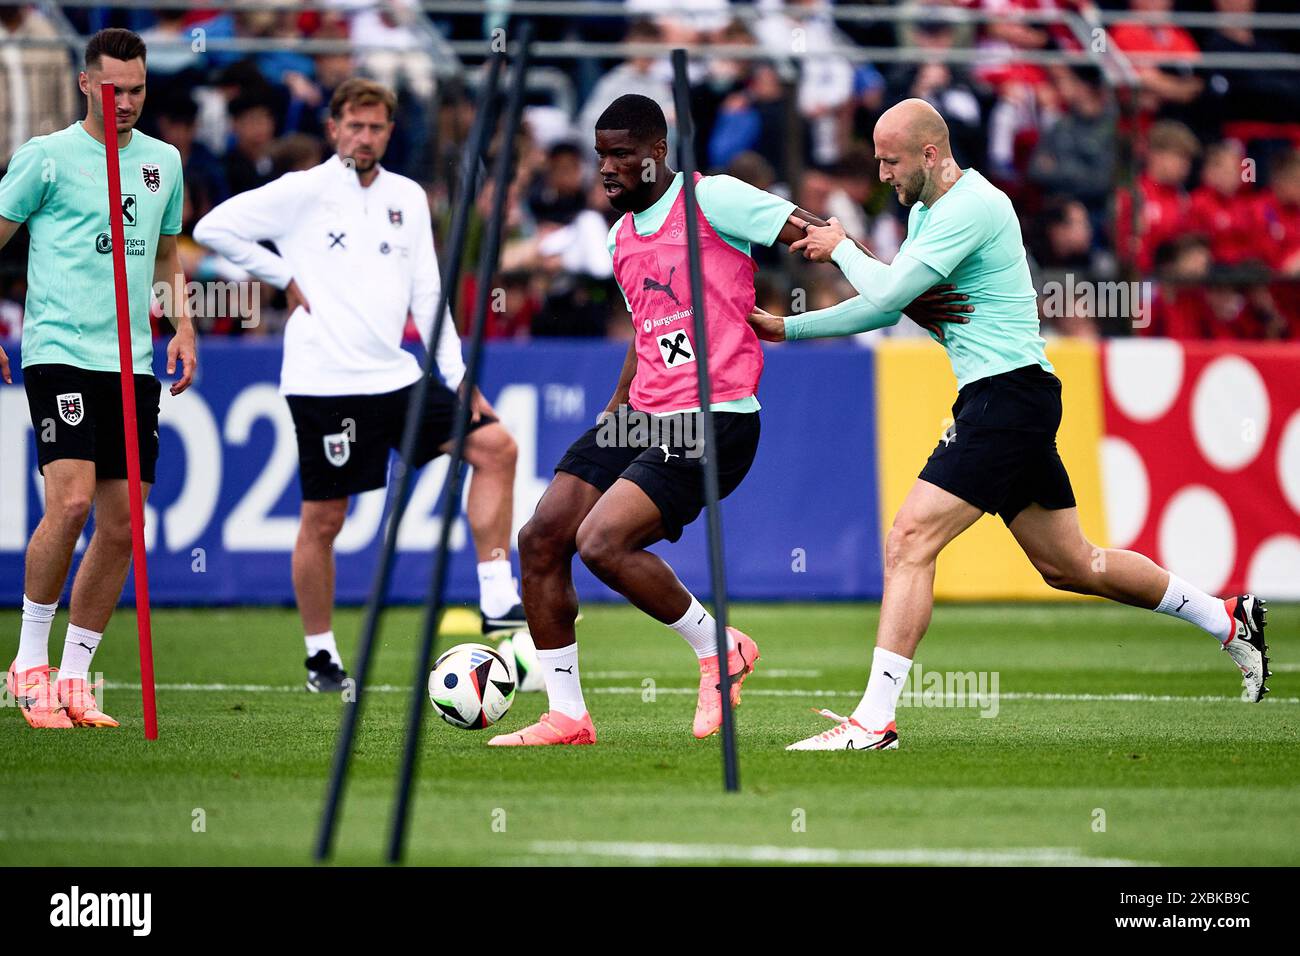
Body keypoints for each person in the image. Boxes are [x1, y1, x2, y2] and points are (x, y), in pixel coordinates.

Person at [748, 99, 1271, 751]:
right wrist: (788, 328)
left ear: (931, 154)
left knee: (909, 539)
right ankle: (1226, 619)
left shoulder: (973, 206)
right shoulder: (927, 213)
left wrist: (841, 248)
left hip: (1007, 397)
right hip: (1011, 397)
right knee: (1074, 565)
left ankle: (873, 722)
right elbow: (888, 309)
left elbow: (882, 296)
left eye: (890, 160)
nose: (882, 174)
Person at [489, 94, 967, 747]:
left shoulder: (714, 199)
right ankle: (568, 715)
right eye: (601, 156)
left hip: (716, 417)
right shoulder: (619, 236)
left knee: (601, 542)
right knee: (541, 537)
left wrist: (902, 287)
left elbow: (811, 232)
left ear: (658, 153)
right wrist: (615, 409)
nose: (607, 169)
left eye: (621, 155)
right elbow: (649, 328)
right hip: (644, 412)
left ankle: (721, 650)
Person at [193, 78, 525, 693]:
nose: (365, 136)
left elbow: (430, 296)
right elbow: (215, 227)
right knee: (325, 518)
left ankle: (496, 593)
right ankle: (321, 655)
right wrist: (281, 274)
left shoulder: (408, 197)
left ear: (389, 132)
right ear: (333, 127)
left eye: (376, 127)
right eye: (355, 124)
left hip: (397, 374)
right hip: (326, 382)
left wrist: (458, 377)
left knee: (497, 447)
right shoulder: (303, 191)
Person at [0, 28, 196, 729]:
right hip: (58, 351)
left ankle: (77, 676)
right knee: (74, 502)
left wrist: (185, 324)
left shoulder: (163, 161)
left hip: (131, 362)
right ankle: (28, 662)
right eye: (113, 90)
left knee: (122, 524)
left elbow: (168, 250)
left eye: (138, 90)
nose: (126, 103)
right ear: (86, 83)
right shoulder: (46, 158)